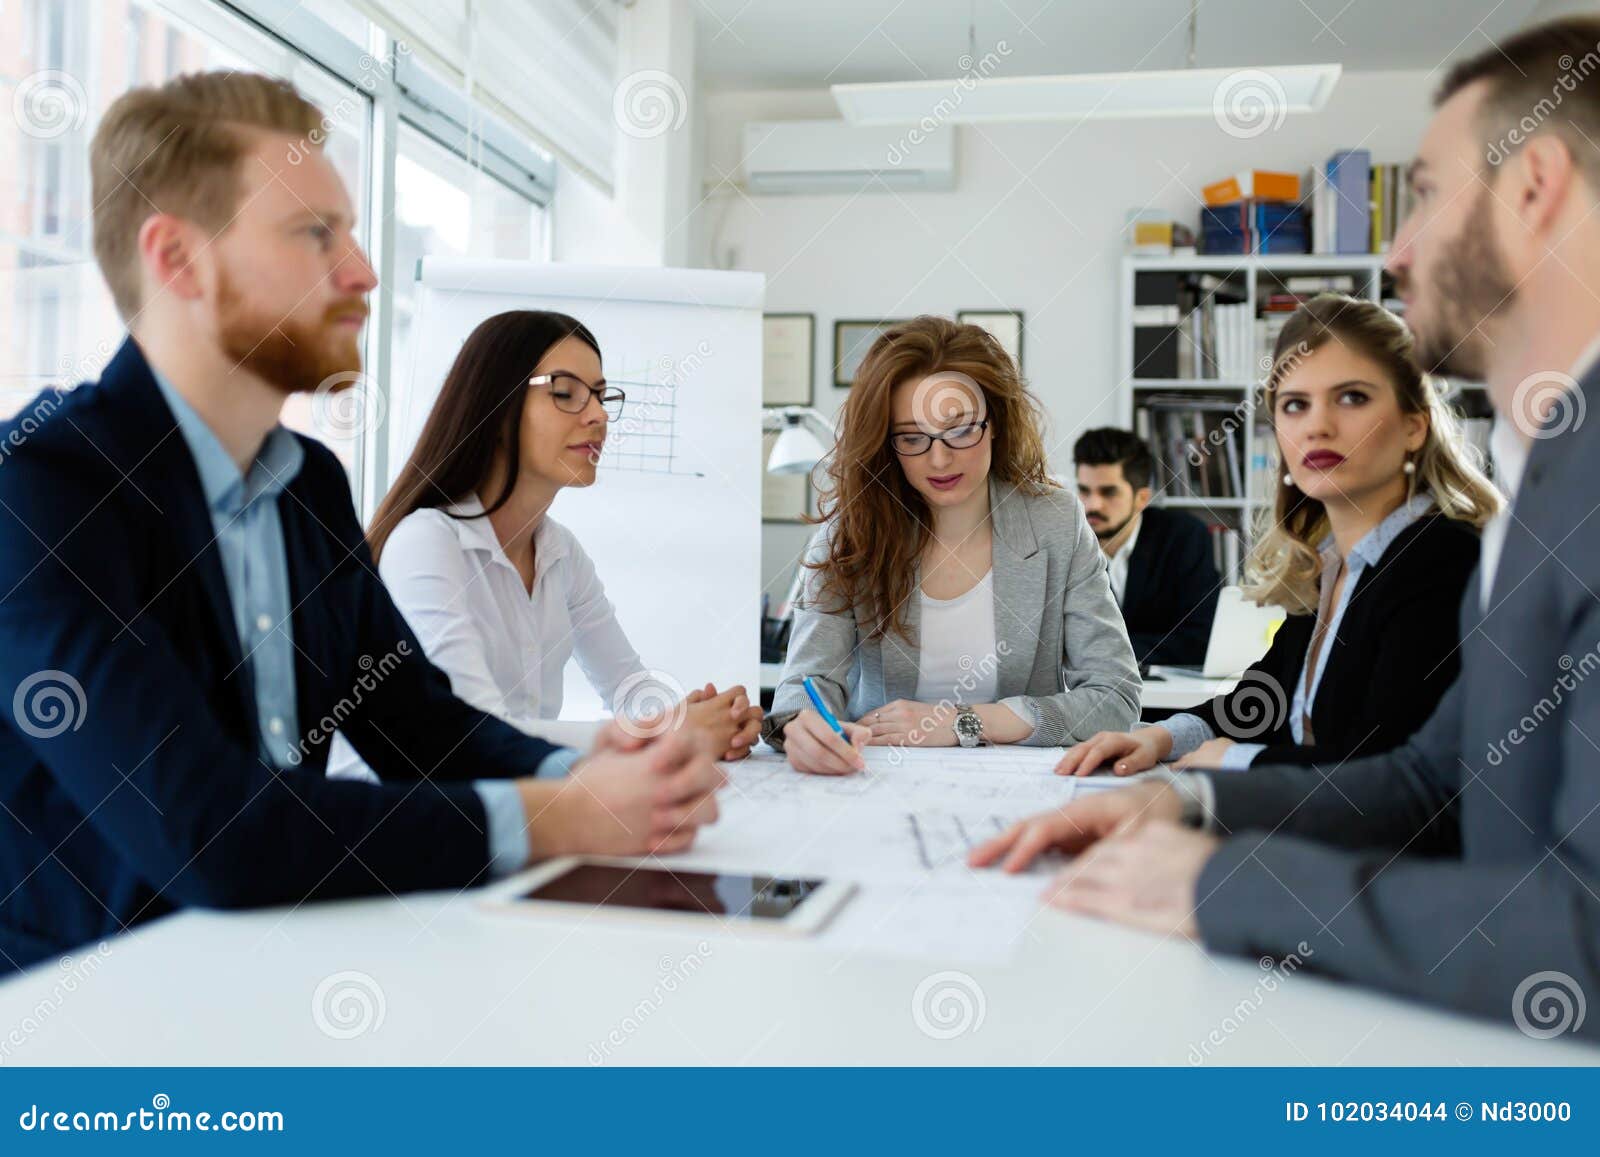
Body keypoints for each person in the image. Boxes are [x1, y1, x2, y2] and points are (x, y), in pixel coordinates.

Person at [0, 72, 723, 972]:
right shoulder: (39, 486)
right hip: (80, 1016)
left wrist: (578, 772)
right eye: (315, 234)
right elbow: (205, 825)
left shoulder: (309, 484)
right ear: (178, 259)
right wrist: (560, 814)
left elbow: (417, 724)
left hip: (274, 964)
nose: (363, 270)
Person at [971, 15, 1600, 1040]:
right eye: (1294, 404)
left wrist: (1219, 884)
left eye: (1427, 194)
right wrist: (1184, 804)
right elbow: (1430, 772)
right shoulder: (1548, 475)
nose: (1396, 249)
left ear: (1533, 186)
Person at [1058, 296, 1499, 776]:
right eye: (1294, 405)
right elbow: (1261, 699)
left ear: (1415, 426)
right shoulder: (1329, 563)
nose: (1317, 426)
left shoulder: (1442, 559)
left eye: (1352, 397)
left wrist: (1236, 761)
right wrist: (1157, 736)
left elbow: (1387, 770)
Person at [327, 310, 761, 781]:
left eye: (599, 395)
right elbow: (478, 732)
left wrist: (703, 720)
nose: (598, 415)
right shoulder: (426, 543)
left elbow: (628, 688)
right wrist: (660, 735)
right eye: (565, 393)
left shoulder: (560, 551)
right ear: (496, 406)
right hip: (404, 823)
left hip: (512, 804)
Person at [765, 316, 1140, 775]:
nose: (939, 459)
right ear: (887, 442)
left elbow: (1115, 697)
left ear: (996, 422)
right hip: (879, 778)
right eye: (911, 437)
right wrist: (801, 728)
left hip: (1022, 785)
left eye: (961, 430)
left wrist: (962, 722)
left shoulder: (1056, 521)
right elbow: (805, 687)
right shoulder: (849, 530)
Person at [1073, 427, 1219, 667]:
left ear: (1142, 498)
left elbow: (1200, 639)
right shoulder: (1065, 544)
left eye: (1108, 492)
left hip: (1164, 695)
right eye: (1084, 491)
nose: (1092, 505)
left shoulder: (1184, 538)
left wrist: (1102, 650)